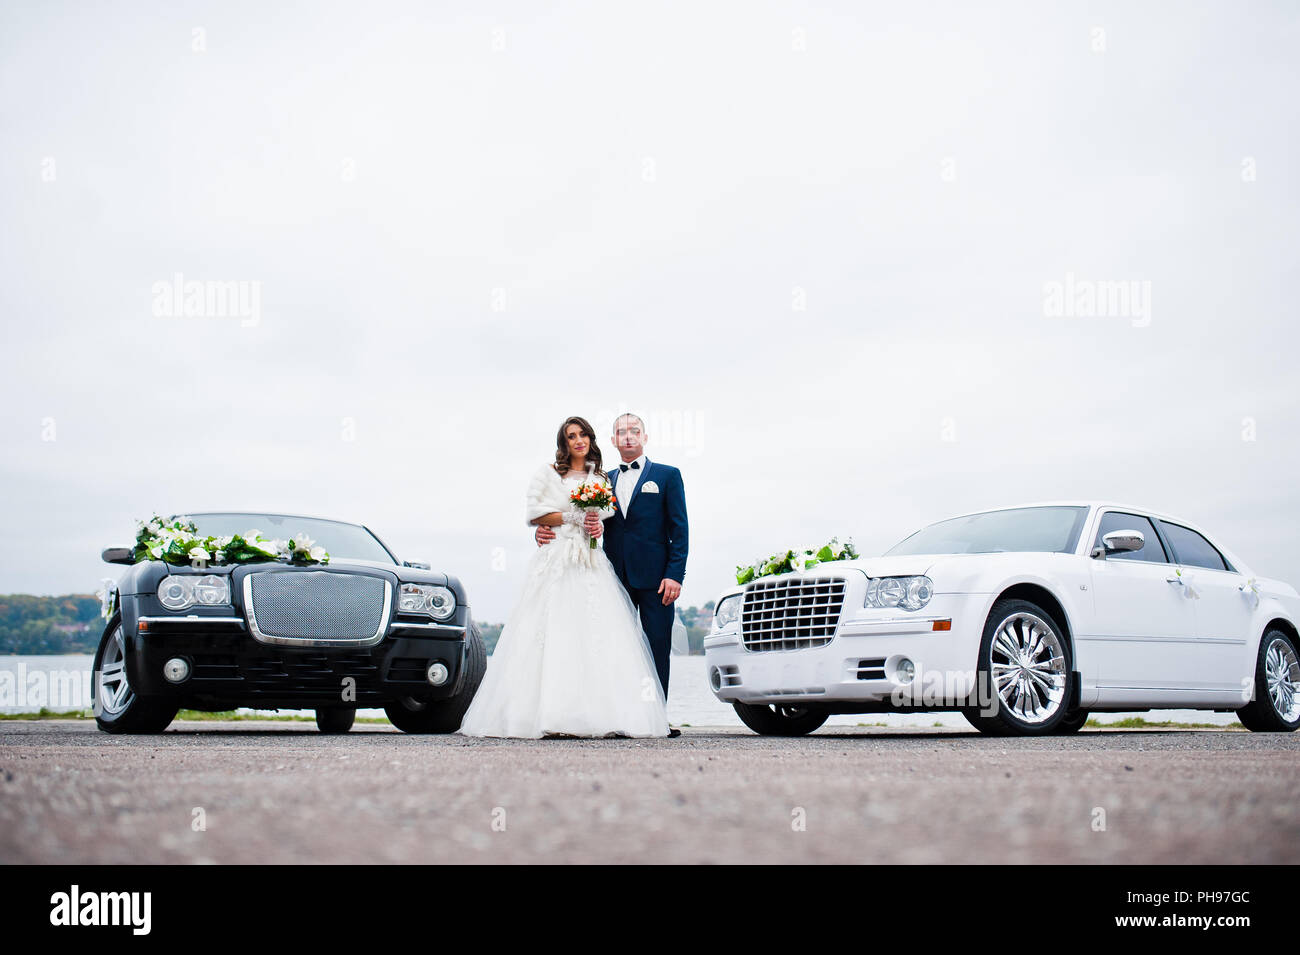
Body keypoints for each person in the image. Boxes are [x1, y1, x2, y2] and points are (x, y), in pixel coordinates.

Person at [457, 415, 671, 739]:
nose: (578, 440)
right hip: (556, 557)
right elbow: (535, 513)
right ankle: (546, 714)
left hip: (590, 560)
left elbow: (605, 516)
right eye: (572, 436)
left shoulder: (600, 477)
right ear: (564, 442)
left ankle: (603, 714)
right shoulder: (548, 473)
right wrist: (570, 517)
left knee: (596, 634)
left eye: (583, 434)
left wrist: (595, 524)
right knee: (552, 630)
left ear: (592, 439)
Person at [536, 413, 688, 736]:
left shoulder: (667, 476)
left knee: (657, 647)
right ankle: (620, 714)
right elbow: (590, 522)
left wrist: (675, 574)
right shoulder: (604, 479)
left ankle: (656, 717)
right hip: (612, 576)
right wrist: (545, 530)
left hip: (656, 579)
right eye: (622, 432)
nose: (628, 437)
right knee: (615, 648)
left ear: (645, 437)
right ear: (614, 440)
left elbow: (680, 530)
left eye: (635, 431)